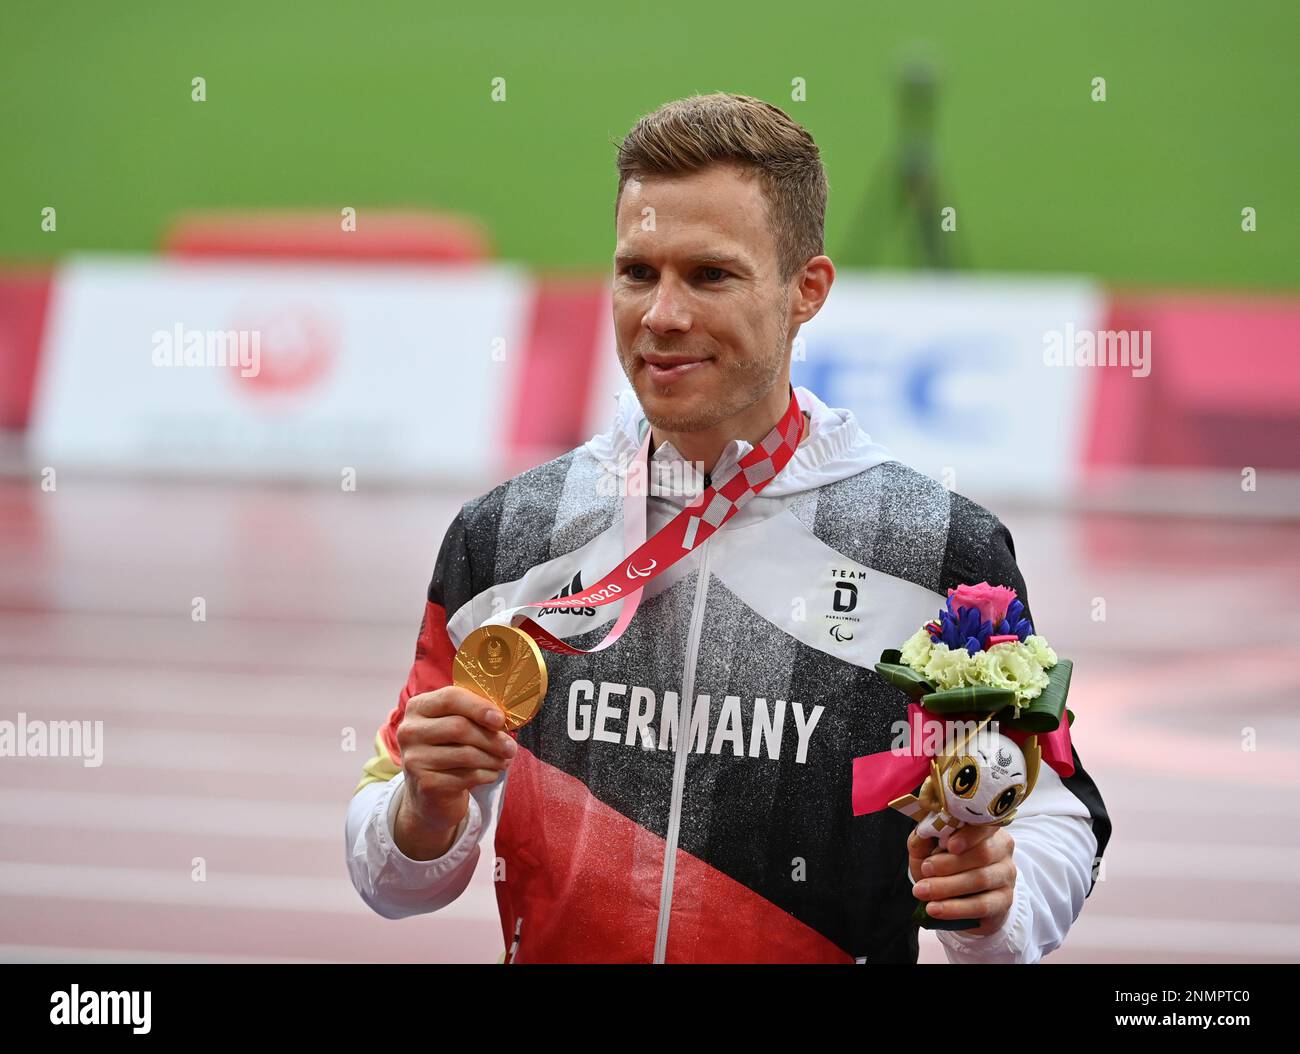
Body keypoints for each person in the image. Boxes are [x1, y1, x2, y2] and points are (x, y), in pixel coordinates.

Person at [345, 92, 1110, 963]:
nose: (662, 316)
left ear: (806, 290)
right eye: (638, 272)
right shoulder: (507, 533)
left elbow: (1055, 812)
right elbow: (394, 879)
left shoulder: (934, 548)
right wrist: (422, 811)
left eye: (709, 275)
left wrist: (996, 902)